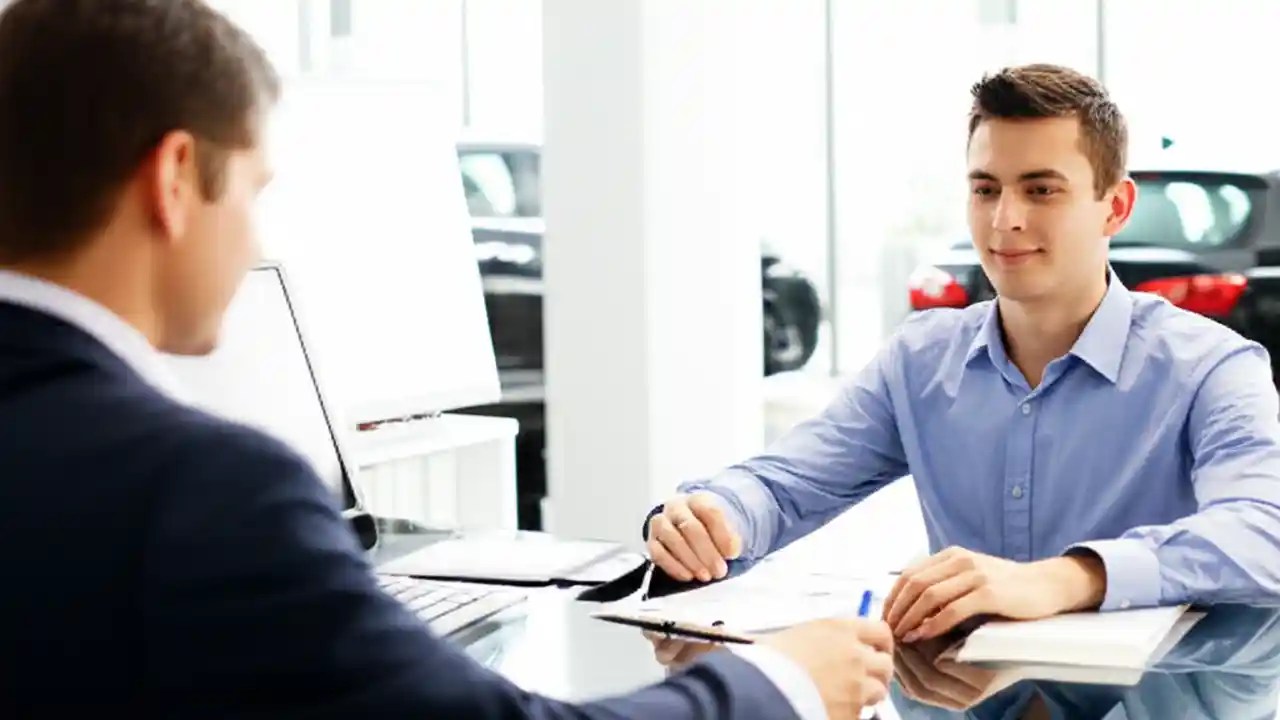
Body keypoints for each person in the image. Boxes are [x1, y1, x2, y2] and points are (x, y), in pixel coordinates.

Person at [0, 1, 896, 718]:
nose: (255, 244)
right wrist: (785, 681)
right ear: (173, 179)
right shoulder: (203, 494)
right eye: (252, 193)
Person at [646, 63, 1280, 644]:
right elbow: (783, 486)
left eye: (1041, 190)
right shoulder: (920, 361)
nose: (1004, 220)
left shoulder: (1212, 367)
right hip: (956, 693)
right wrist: (716, 515)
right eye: (985, 189)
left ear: (1114, 207)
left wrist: (1067, 578)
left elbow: (1264, 531)